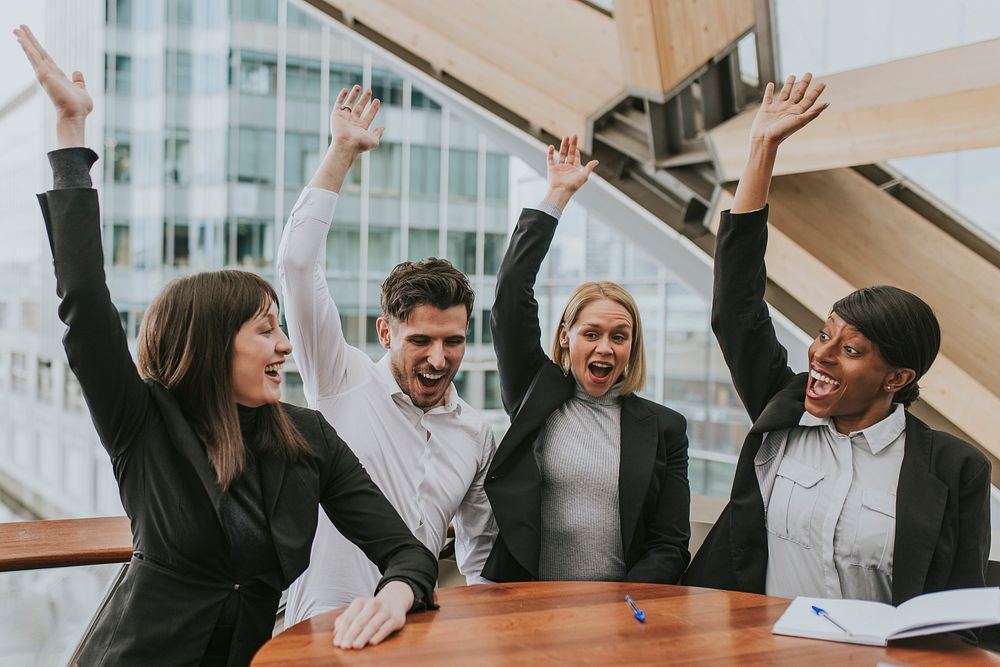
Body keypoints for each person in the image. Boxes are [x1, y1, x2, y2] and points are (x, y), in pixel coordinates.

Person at [16, 25, 437, 665]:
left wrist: (396, 593)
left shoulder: (309, 438)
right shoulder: (144, 423)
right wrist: (71, 135)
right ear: (214, 344)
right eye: (266, 330)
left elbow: (405, 549)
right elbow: (85, 303)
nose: (286, 346)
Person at [683, 73, 991, 605]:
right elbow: (736, 308)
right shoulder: (784, 410)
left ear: (897, 377)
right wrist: (761, 148)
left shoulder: (954, 469)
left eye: (850, 350)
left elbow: (955, 609)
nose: (821, 354)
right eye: (824, 335)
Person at [277, 85, 497, 624]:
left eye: (453, 341)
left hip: (420, 632)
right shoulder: (339, 378)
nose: (439, 359)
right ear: (386, 332)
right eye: (420, 340)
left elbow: (480, 559)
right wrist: (342, 152)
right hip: (321, 627)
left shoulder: (476, 432)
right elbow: (298, 266)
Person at [482, 135, 691, 583]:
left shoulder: (665, 428)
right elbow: (509, 299)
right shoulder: (533, 393)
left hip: (617, 619)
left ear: (632, 346)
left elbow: (669, 544)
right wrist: (556, 196)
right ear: (565, 337)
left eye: (619, 336)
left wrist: (620, 608)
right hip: (527, 606)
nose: (604, 348)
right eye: (591, 333)